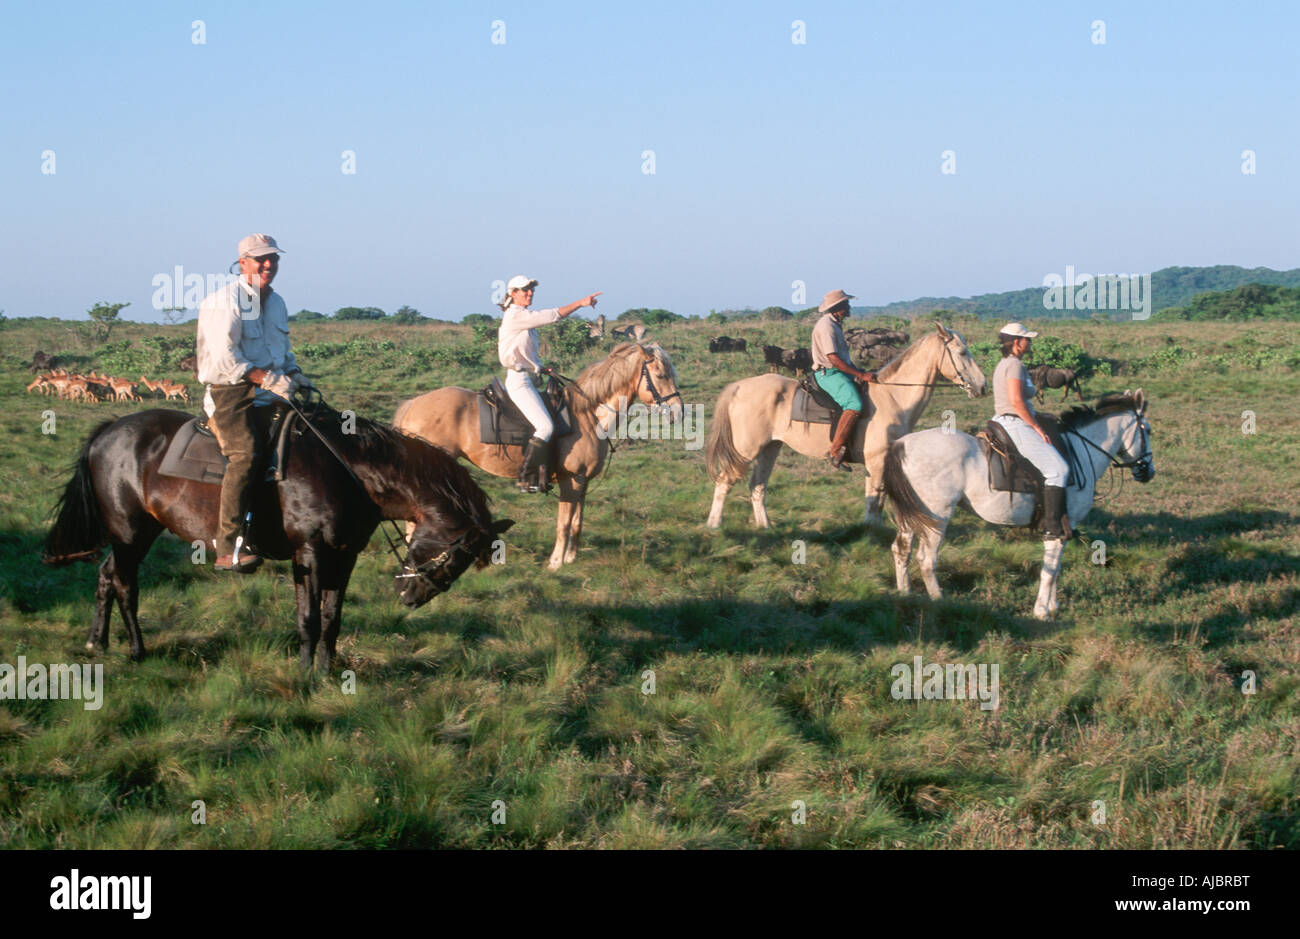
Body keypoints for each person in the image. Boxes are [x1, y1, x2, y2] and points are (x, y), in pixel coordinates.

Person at [196, 233, 311, 572]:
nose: (267, 265)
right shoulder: (224, 301)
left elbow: (281, 351)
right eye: (260, 259)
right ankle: (227, 548)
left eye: (272, 259)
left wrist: (295, 374)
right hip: (230, 392)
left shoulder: (276, 302)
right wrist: (270, 380)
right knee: (246, 455)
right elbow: (224, 359)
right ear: (242, 262)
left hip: (273, 389)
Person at [497, 275, 601, 492]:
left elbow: (521, 353)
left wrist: (540, 368)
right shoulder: (516, 315)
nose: (530, 293)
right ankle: (526, 477)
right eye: (525, 290)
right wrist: (580, 303)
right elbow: (553, 315)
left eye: (531, 290)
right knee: (545, 426)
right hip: (519, 382)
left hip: (529, 377)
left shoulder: (522, 317)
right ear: (513, 293)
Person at [990, 322, 1071, 539]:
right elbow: (1016, 401)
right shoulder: (1015, 366)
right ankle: (1052, 528)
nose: (1030, 342)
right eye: (1027, 339)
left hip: (1008, 419)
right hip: (1016, 424)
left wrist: (1039, 417)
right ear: (1017, 342)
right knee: (1059, 470)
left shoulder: (1005, 363)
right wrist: (1036, 427)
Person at [810, 288, 877, 470]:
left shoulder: (835, 323)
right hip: (829, 374)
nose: (849, 307)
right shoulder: (827, 327)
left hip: (839, 371)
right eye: (846, 304)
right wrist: (860, 374)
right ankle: (835, 450)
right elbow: (834, 359)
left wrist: (858, 372)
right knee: (854, 403)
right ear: (837, 307)